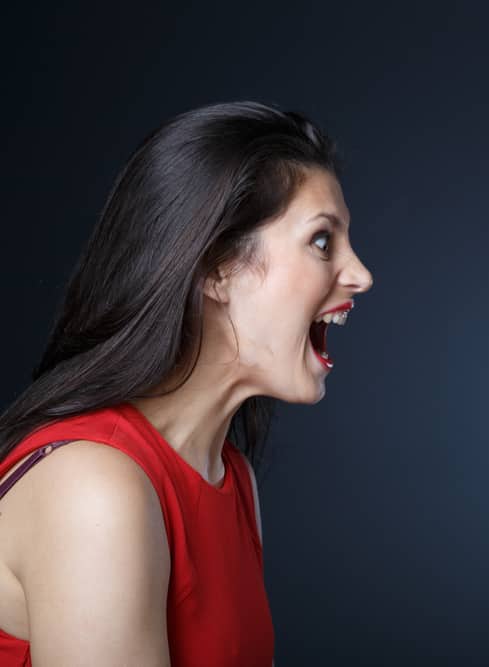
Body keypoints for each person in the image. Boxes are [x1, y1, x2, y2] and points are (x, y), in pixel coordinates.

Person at [0, 101, 372, 666]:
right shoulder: (94, 488)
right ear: (217, 266)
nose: (360, 275)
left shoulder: (234, 481)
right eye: (322, 241)